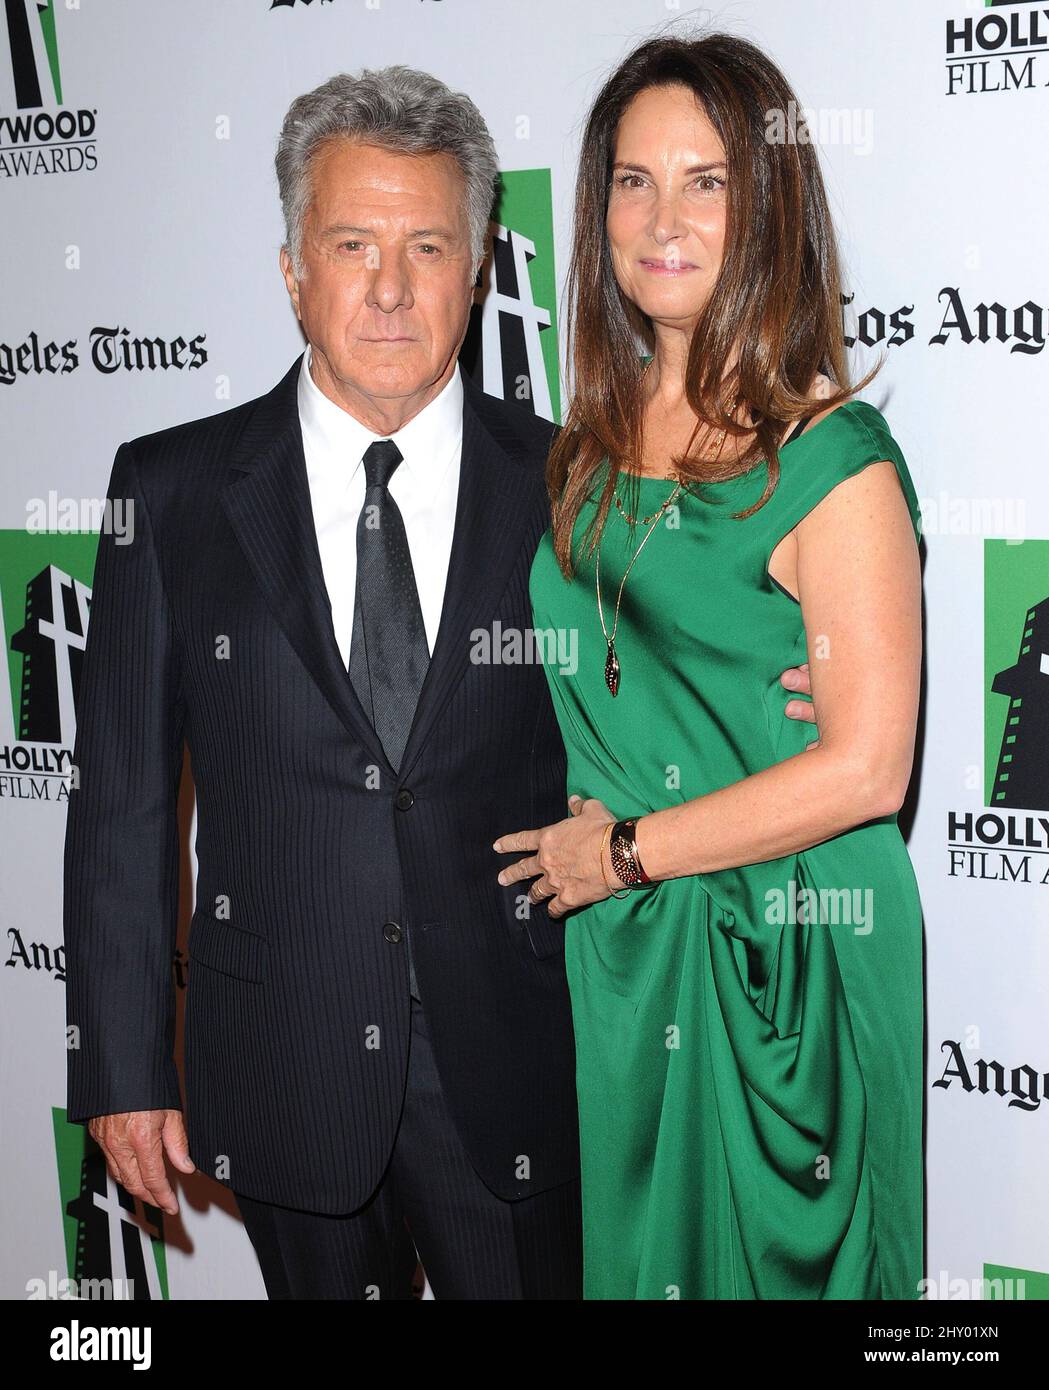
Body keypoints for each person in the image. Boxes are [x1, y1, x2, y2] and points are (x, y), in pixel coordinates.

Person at [64, 63, 823, 1301]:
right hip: (283, 1060)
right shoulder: (172, 490)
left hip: (523, 1058)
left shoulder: (574, 481)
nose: (387, 287)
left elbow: (682, 673)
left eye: (427, 246)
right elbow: (120, 811)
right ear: (289, 264)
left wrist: (788, 687)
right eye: (350, 242)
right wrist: (120, 1065)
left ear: (476, 270)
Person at [496, 33, 925, 1300]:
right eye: (632, 180)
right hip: (628, 945)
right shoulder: (585, 440)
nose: (661, 217)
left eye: (706, 180)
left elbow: (865, 768)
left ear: (769, 203)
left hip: (782, 947)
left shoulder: (827, 456)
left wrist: (623, 850)